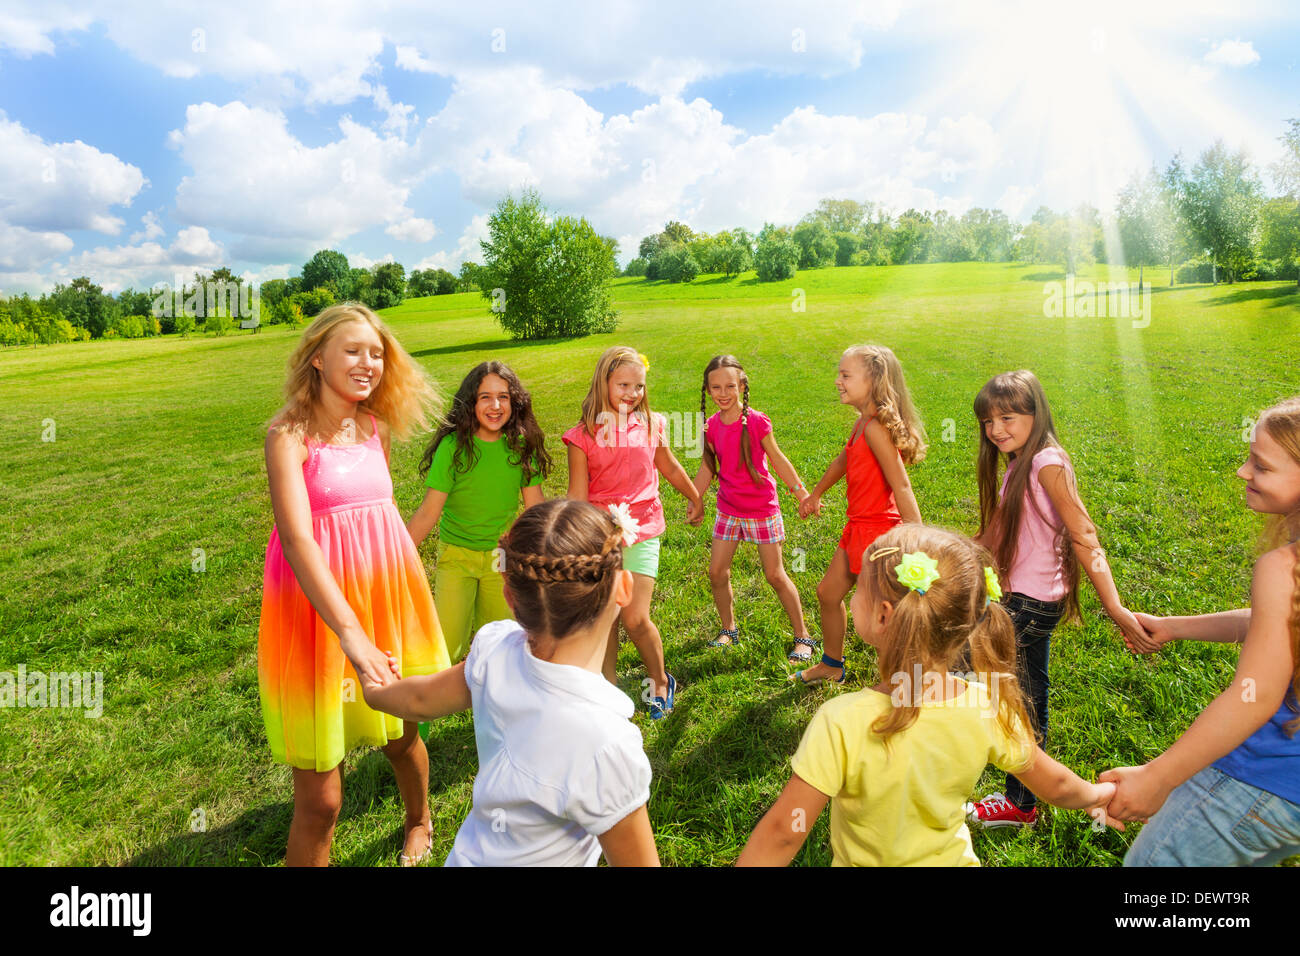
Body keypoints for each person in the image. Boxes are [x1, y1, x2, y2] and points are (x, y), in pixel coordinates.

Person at [737, 524, 1121, 866]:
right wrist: (1100, 794)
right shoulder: (985, 706)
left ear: (884, 616)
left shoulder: (842, 721)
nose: (850, 596)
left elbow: (786, 832)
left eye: (857, 589)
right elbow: (1054, 785)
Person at [361, 499, 661, 866]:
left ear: (510, 597)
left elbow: (421, 699)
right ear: (624, 588)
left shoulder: (493, 650)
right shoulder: (608, 746)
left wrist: (377, 691)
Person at [257, 301, 450, 866]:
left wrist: (374, 627)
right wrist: (351, 634)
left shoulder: (373, 426)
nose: (369, 363)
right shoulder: (287, 435)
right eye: (353, 350)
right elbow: (298, 541)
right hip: (319, 618)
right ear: (317, 358)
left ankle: (420, 819)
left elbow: (378, 520)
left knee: (400, 736)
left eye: (376, 353)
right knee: (322, 801)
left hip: (384, 599)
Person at [1103, 396, 1300, 865]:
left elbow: (1256, 695)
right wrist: (1174, 627)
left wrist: (1158, 777)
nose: (1242, 472)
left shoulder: (1285, 568)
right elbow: (1280, 625)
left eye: (1261, 465)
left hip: (1259, 780)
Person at [965, 370, 1148, 829]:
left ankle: (925, 777)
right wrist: (949, 554)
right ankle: (1023, 803)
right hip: (1024, 600)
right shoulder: (1021, 463)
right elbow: (994, 534)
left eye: (1008, 416)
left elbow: (1085, 536)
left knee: (948, 669)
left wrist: (1115, 608)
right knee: (1028, 698)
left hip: (1027, 606)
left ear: (1036, 413)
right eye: (988, 421)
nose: (996, 429)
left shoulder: (1047, 463)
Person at [563, 346, 703, 719]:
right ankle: (607, 690)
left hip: (643, 530)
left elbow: (668, 465)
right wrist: (569, 537)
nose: (632, 393)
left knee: (635, 617)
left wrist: (694, 495)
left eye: (638, 386)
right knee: (603, 618)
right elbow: (577, 494)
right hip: (599, 536)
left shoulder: (652, 424)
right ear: (603, 383)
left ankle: (660, 681)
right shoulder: (582, 437)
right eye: (623, 384)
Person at [793, 344, 925, 684]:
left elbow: (902, 486)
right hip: (858, 527)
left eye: (845, 375)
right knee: (828, 594)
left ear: (874, 381)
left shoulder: (876, 429)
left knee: (880, 616)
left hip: (879, 534)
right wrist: (816, 493)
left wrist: (919, 539)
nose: (837, 380)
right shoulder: (862, 424)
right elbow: (843, 460)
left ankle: (898, 683)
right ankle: (832, 665)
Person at [409, 361, 549, 663]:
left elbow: (535, 509)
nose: (495, 405)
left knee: (503, 646)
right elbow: (428, 513)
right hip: (455, 558)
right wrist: (395, 561)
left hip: (501, 560)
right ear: (471, 402)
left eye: (504, 397)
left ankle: (494, 702)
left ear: (515, 402)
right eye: (485, 396)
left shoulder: (521, 447)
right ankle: (426, 704)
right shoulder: (453, 447)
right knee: (445, 648)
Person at [693, 354, 812, 651]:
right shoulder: (711, 426)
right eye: (716, 387)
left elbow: (778, 459)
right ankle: (729, 629)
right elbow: (708, 468)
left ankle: (803, 636)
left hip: (761, 509)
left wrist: (801, 493)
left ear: (742, 386)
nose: (723, 393)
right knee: (717, 572)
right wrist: (696, 499)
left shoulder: (757, 422)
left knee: (775, 574)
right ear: (708, 390)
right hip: (729, 509)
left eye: (730, 386)